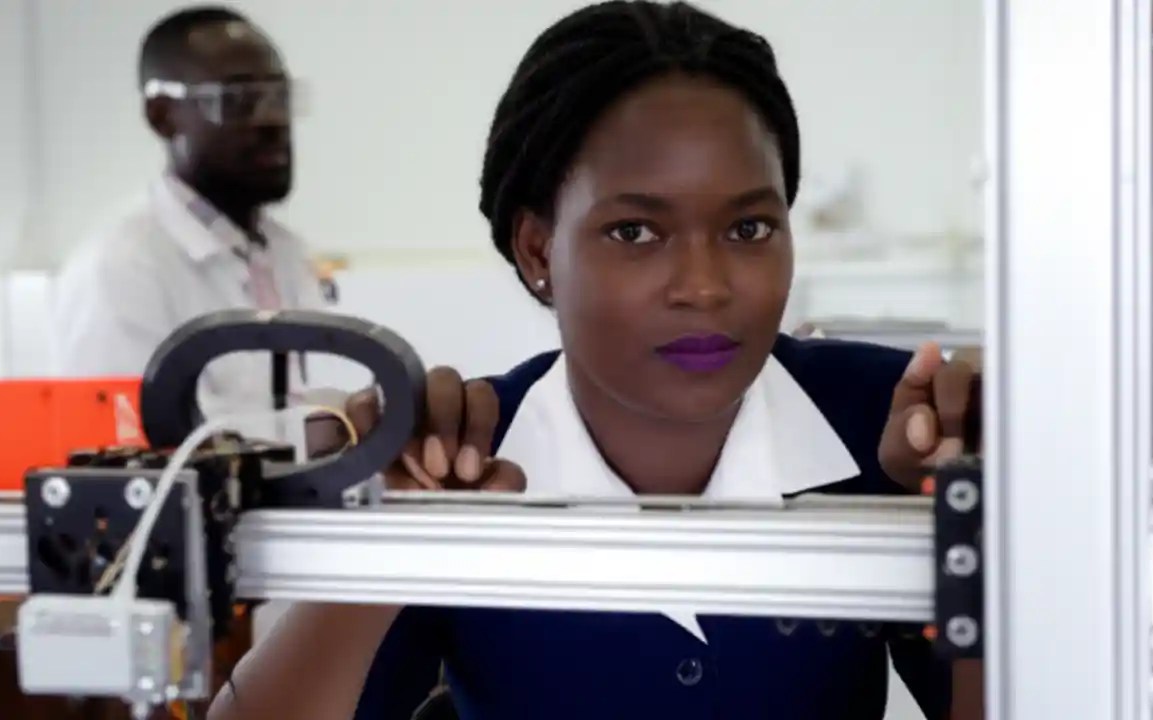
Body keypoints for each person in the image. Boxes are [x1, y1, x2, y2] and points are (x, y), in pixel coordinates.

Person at [209, 2, 982, 719]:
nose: (705, 288)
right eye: (636, 233)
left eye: (747, 229)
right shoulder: (460, 462)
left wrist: (975, 518)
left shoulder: (886, 425)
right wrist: (375, 551)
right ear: (538, 249)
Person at [51, 5, 325, 418]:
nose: (272, 119)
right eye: (236, 100)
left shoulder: (285, 253)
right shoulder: (121, 269)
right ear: (162, 116)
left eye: (278, 95)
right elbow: (130, 451)